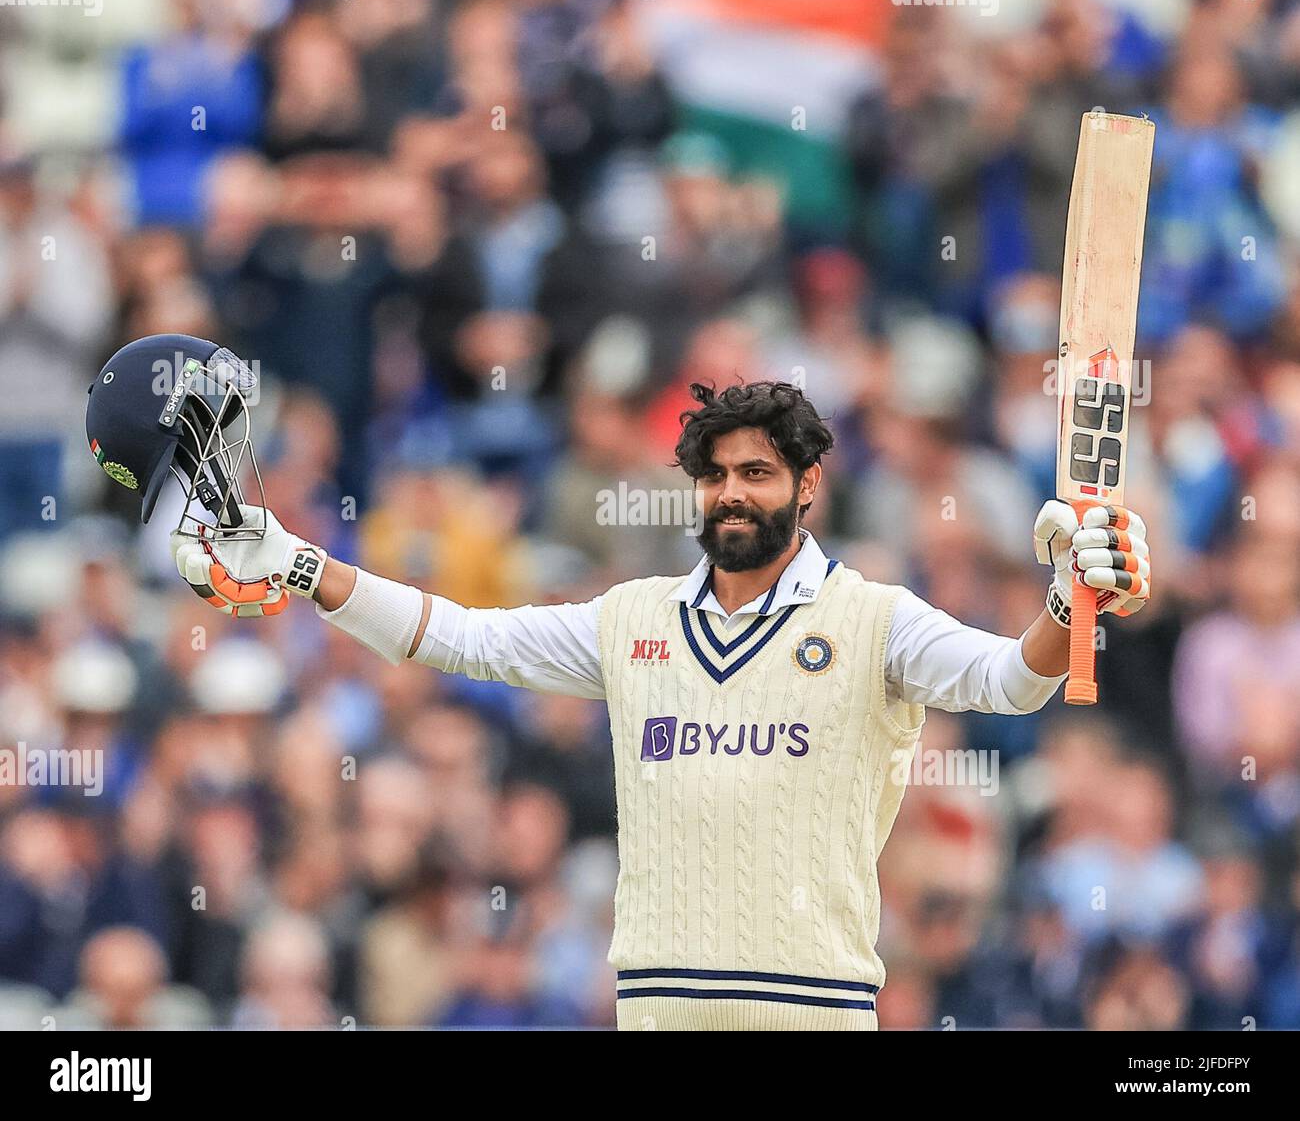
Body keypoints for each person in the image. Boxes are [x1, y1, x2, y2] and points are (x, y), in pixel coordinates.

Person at [88, 341, 1153, 1030]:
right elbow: (454, 636)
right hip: (653, 1013)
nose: (733, 495)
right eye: (716, 474)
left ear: (807, 486)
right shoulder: (632, 618)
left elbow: (1010, 682)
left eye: (758, 474)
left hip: (812, 1009)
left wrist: (1067, 599)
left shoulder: (873, 618)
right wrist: (301, 561)